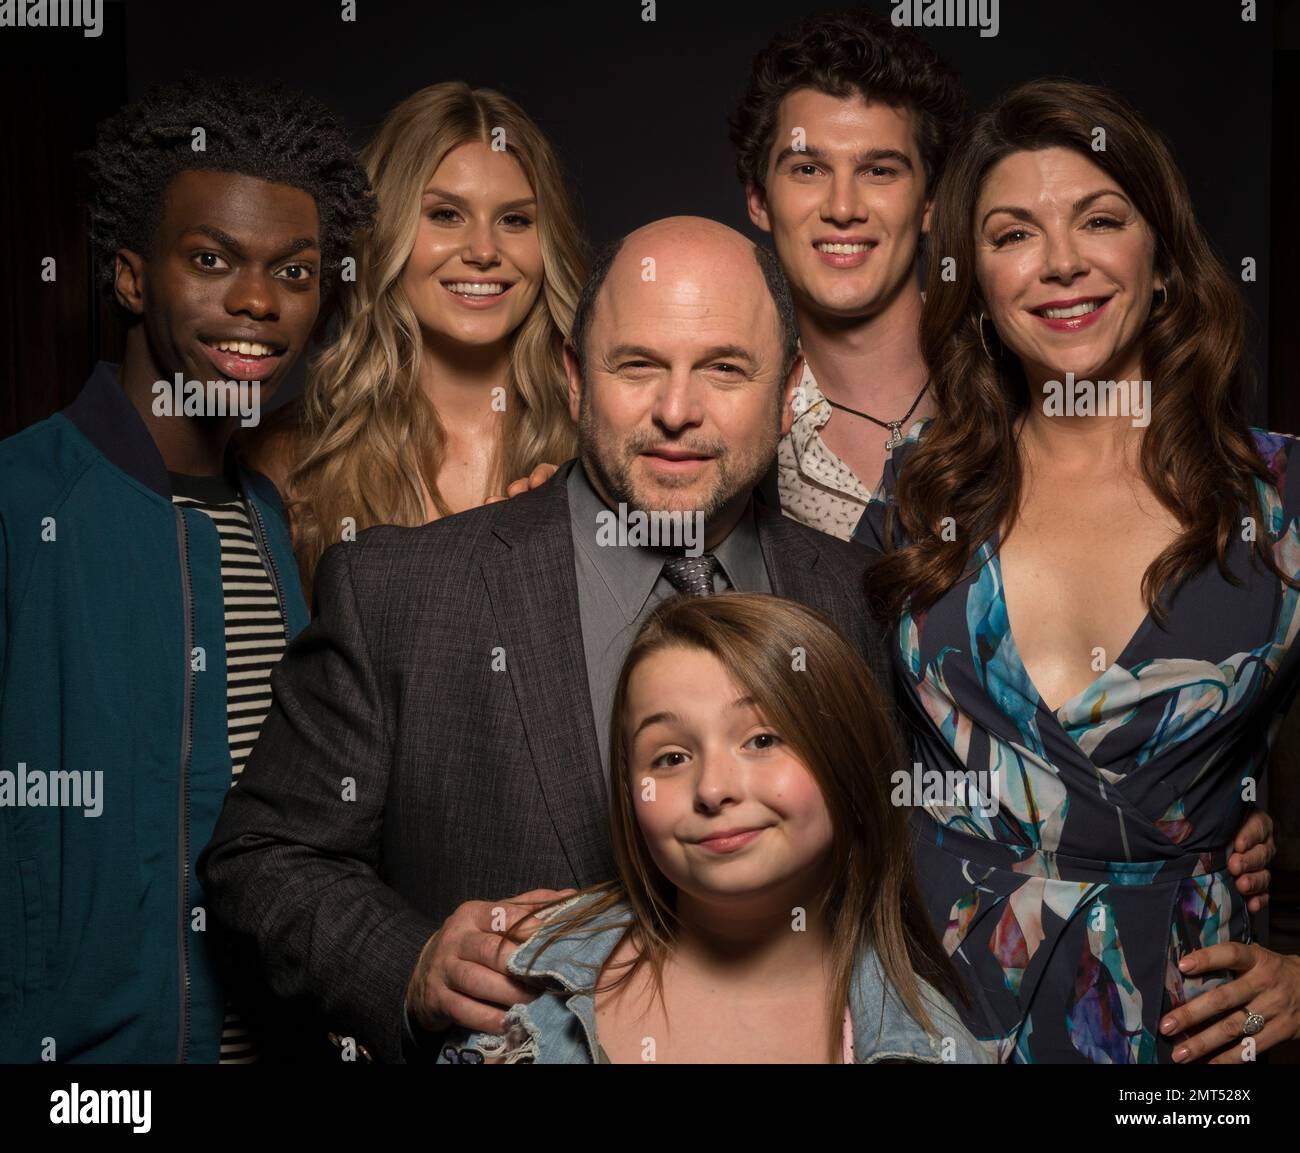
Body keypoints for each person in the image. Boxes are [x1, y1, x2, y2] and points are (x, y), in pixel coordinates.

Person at [198, 216, 899, 1063]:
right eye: (637, 365)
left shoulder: (856, 598)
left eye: (724, 368)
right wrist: (409, 963)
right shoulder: (399, 593)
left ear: (789, 389)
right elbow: (261, 857)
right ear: (573, 378)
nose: (677, 410)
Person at [856, 78, 1300, 1063]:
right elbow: (829, 770)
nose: (1059, 263)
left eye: (1099, 219)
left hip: (1178, 1052)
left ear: (1162, 259)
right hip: (926, 1029)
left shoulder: (1279, 503)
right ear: (975, 276)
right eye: (1013, 234)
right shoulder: (909, 495)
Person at [0, 77, 373, 1062]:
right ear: (130, 278)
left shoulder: (269, 520)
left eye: (293, 272)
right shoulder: (20, 502)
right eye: (211, 260)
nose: (256, 301)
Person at [435, 593, 989, 1064]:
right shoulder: (530, 973)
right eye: (670, 757)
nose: (712, 789)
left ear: (846, 759)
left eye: (762, 740)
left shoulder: (929, 1044)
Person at [242, 82, 585, 604]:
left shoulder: (602, 443)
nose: (484, 251)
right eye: (446, 214)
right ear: (386, 230)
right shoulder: (293, 459)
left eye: (515, 220)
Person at [729, 8, 963, 538]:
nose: (842, 207)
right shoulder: (724, 416)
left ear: (929, 202)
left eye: (878, 171)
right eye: (808, 169)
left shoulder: (1011, 374)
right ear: (760, 200)